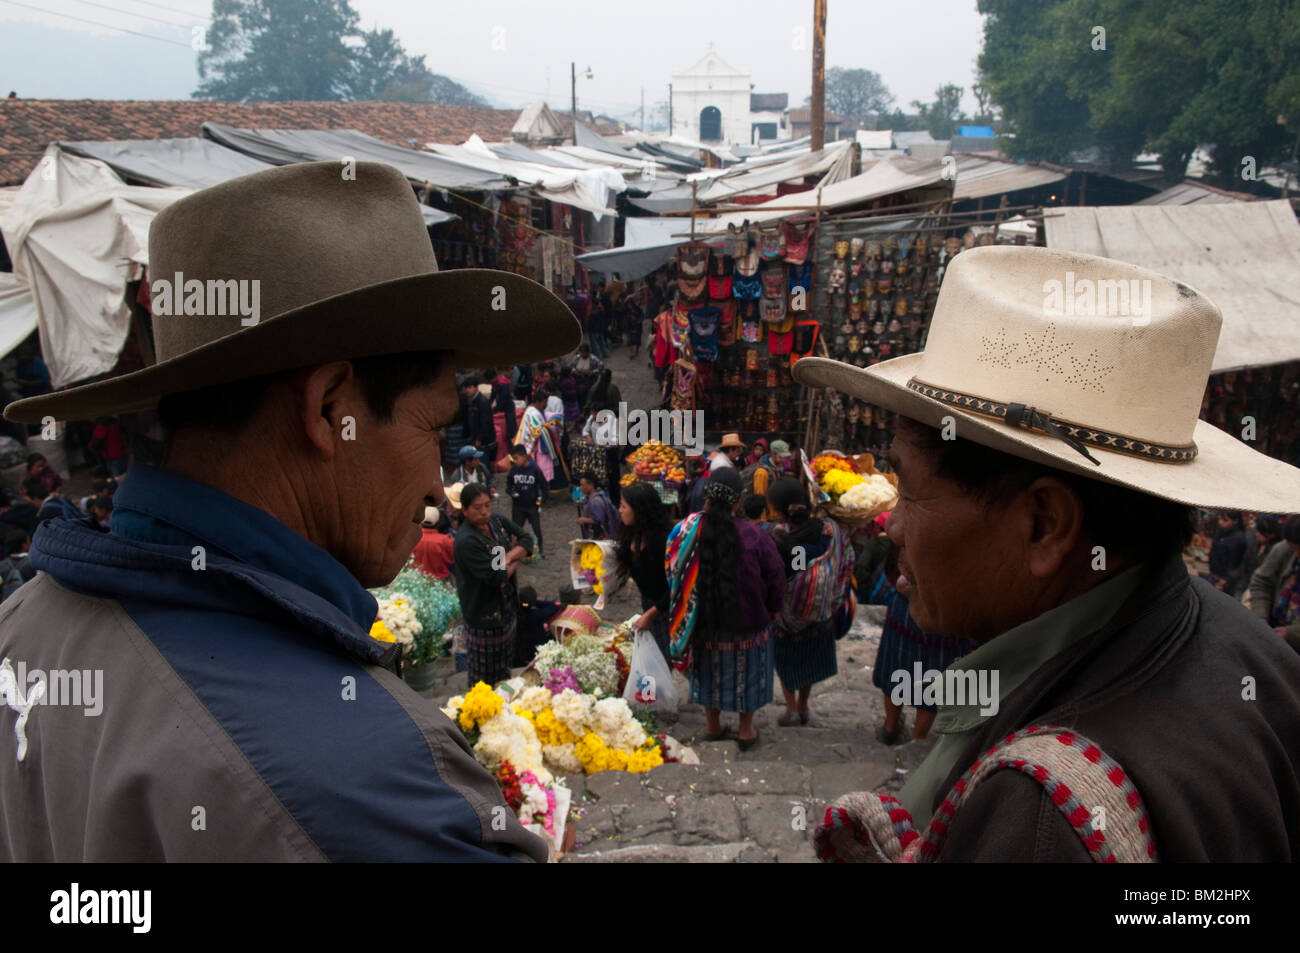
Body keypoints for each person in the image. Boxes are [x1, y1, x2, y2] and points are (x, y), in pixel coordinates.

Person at [0, 161, 579, 861]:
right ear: (332, 409)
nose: (437, 488)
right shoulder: (366, 781)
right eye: (431, 429)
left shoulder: (20, 629)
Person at [794, 244, 1300, 860]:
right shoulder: (1253, 649)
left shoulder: (1041, 820)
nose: (891, 525)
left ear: (1045, 525)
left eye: (912, 489)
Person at [665, 468, 785, 750]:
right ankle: (745, 731)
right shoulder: (755, 536)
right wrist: (774, 609)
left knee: (709, 674)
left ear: (707, 495)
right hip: (749, 622)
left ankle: (712, 726)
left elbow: (673, 570)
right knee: (749, 674)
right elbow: (776, 575)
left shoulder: (684, 532)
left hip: (703, 623)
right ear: (737, 501)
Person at [765, 478, 857, 727]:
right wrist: (836, 598)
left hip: (786, 615)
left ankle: (791, 707)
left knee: (785, 660)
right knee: (810, 659)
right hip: (821, 611)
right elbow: (847, 562)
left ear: (782, 509)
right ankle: (804, 706)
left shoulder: (777, 535)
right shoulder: (832, 530)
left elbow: (771, 574)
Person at [872, 539, 976, 744]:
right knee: (932, 679)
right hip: (943, 616)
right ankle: (915, 738)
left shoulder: (911, 527)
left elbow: (893, 571)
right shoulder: (963, 537)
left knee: (897, 672)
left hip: (910, 613)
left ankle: (891, 728)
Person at [452, 483, 533, 689]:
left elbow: (527, 540)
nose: (485, 511)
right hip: (485, 618)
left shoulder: (497, 522)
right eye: (478, 508)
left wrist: (509, 556)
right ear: (465, 510)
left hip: (507, 609)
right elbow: (496, 576)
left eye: (487, 505)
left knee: (505, 669)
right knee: (484, 679)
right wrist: (515, 557)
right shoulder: (467, 541)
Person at [615, 482, 673, 661]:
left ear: (639, 510)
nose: (620, 510)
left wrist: (652, 613)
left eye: (624, 506)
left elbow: (676, 586)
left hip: (668, 609)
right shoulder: (630, 533)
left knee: (666, 659)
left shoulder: (663, 541)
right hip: (649, 604)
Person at [1248, 514, 1300, 652]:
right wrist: (1261, 616)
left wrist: (1292, 634)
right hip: (1273, 628)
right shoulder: (1285, 549)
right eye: (1294, 548)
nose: (1297, 554)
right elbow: (1261, 582)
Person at [515, 392, 563, 494]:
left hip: (535, 447)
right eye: (544, 402)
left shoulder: (534, 410)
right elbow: (536, 431)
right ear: (538, 402)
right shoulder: (533, 413)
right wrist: (550, 425)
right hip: (534, 448)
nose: (545, 405)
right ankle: (539, 495)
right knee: (539, 473)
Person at [506, 444, 546, 559]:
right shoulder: (513, 470)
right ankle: (516, 550)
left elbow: (544, 485)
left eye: (517, 458)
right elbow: (509, 485)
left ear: (524, 456)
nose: (515, 461)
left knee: (536, 528)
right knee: (515, 529)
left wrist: (542, 499)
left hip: (532, 506)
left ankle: (539, 549)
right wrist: (511, 492)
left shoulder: (535, 469)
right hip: (518, 506)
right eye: (514, 459)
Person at [742, 439, 792, 521]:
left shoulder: (778, 467)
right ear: (773, 454)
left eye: (785, 457)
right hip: (767, 518)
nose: (784, 460)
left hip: (775, 515)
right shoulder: (762, 473)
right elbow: (759, 498)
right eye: (781, 457)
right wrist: (762, 522)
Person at [1203, 510, 1247, 595]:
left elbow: (1236, 563)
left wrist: (1226, 579)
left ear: (1235, 521)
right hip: (1214, 573)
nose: (1220, 522)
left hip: (1225, 580)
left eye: (1225, 520)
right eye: (1220, 519)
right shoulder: (1222, 532)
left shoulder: (1238, 539)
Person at [412, 506, 455, 580]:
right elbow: (453, 559)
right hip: (440, 582)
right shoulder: (446, 540)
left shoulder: (412, 538)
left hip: (416, 581)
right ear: (438, 521)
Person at [576, 471, 618, 541]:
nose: (580, 487)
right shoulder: (593, 497)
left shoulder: (596, 501)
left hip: (600, 536)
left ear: (591, 485)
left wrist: (584, 520)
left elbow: (599, 520)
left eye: (582, 485)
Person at [463, 377, 498, 462]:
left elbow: (485, 422)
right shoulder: (472, 400)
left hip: (484, 441)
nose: (467, 390)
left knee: (483, 464)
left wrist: (479, 439)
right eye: (466, 388)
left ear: (476, 388)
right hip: (476, 438)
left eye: (470, 387)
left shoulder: (482, 401)